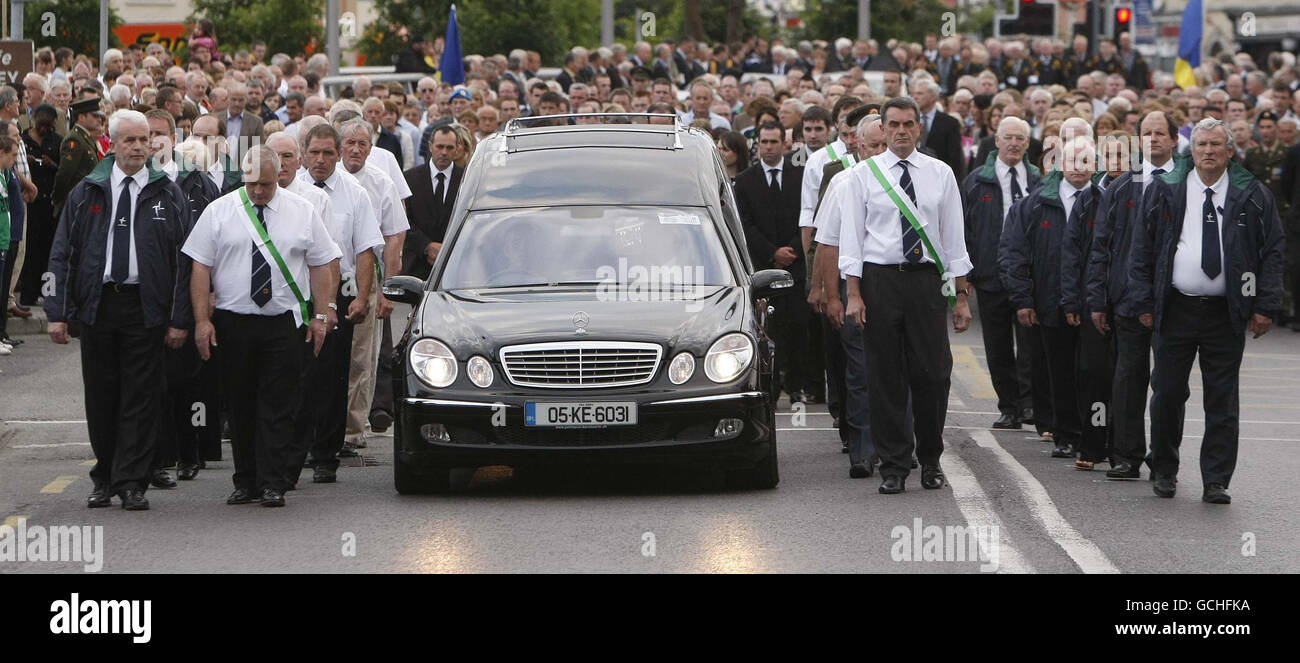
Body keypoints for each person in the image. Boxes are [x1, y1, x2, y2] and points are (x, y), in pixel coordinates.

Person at [44, 110, 194, 511]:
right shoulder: (87, 190)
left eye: (145, 140)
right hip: (99, 304)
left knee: (141, 398)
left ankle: (132, 482)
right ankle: (104, 476)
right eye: (130, 140)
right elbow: (62, 253)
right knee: (102, 396)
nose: (139, 147)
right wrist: (56, 310)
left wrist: (181, 317)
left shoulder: (167, 191)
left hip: (146, 306)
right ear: (113, 143)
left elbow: (186, 260)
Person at [1130, 118, 1285, 504]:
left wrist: (1265, 304)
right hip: (1175, 308)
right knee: (1166, 394)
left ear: (1230, 151)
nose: (1208, 152)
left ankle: (1216, 479)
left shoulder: (1253, 193)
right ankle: (1164, 468)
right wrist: (1144, 301)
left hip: (1225, 312)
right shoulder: (1166, 189)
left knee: (1222, 398)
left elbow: (1272, 251)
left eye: (1216, 145)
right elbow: (1142, 248)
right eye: (1201, 145)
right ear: (1191, 150)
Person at [185, 145, 341, 507]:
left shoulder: (302, 211)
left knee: (279, 403)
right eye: (252, 183)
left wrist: (322, 314)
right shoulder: (219, 211)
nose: (258, 191)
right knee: (240, 403)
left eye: (266, 185)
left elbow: (322, 263)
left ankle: (275, 481)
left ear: (279, 178)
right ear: (243, 176)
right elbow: (200, 267)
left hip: (283, 322)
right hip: (233, 320)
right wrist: (201, 321)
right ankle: (246, 480)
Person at [839, 97, 974, 494]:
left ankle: (930, 459)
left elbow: (954, 238)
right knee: (885, 377)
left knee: (932, 374)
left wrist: (961, 295)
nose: (900, 131)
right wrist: (853, 294)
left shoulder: (940, 173)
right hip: (880, 281)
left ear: (919, 128)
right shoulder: (862, 176)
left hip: (925, 282)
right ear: (882, 128)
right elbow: (852, 239)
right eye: (893, 124)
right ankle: (894, 465)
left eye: (908, 124)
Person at [1086, 110, 1181, 479]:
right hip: (1127, 299)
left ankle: (1164, 458)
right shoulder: (1122, 187)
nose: (1154, 139)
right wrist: (1098, 298)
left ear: (1174, 139)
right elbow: (1102, 246)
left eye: (1161, 133)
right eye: (1147, 133)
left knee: (1170, 386)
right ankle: (1126, 455)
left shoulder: (1186, 183)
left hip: (1175, 299)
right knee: (1128, 379)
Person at [1001, 136, 1102, 462]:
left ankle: (1097, 435)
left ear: (1095, 166)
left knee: (1092, 373)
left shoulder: (1105, 201)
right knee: (1056, 372)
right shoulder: (1034, 204)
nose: (1078, 168)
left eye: (1086, 162)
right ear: (1059, 164)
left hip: (1093, 304)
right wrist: (1023, 299)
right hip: (1049, 302)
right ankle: (1065, 433)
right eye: (1072, 161)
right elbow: (1014, 253)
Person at [293, 123, 385, 481]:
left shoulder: (354, 193)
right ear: (304, 154)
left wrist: (362, 296)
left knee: (332, 378)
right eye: (314, 153)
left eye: (328, 153)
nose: (320, 160)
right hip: (301, 292)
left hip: (341, 292)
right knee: (300, 375)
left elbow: (365, 249)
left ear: (339, 154)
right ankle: (296, 448)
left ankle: (325, 455)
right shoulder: (293, 191)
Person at [961, 116, 1042, 430]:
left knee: (1030, 345)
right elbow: (964, 229)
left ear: (1027, 143)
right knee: (997, 346)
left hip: (1029, 277)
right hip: (990, 274)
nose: (1014, 143)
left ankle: (1029, 404)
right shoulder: (976, 181)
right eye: (1008, 137)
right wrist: (966, 274)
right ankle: (1008, 406)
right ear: (996, 141)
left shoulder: (1037, 180)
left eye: (1020, 138)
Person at [335, 118, 408, 455]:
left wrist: (390, 288)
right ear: (340, 146)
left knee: (361, 357)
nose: (355, 149)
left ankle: (352, 429)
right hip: (328, 278)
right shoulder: (320, 183)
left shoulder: (380, 182)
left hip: (369, 277)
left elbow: (395, 235)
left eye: (362, 144)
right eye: (350, 142)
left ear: (370, 148)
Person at [734, 121, 809, 404]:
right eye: (763, 142)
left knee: (798, 327)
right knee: (768, 329)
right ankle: (771, 385)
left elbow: (807, 218)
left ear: (784, 144)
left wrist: (791, 249)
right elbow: (746, 224)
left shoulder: (799, 177)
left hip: (795, 264)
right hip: (763, 267)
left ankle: (797, 384)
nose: (768, 147)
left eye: (773, 142)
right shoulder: (745, 180)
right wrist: (771, 252)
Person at [403, 125, 462, 280]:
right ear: (430, 146)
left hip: (455, 264)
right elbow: (403, 220)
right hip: (416, 265)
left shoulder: (467, 179)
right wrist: (426, 246)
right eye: (439, 147)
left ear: (457, 149)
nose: (444, 152)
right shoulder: (409, 178)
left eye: (449, 148)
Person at [52, 97, 104, 215]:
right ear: (81, 117)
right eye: (95, 116)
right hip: (76, 201)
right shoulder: (75, 139)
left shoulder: (85, 137)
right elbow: (65, 173)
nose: (99, 120)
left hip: (86, 199)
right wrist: (57, 198)